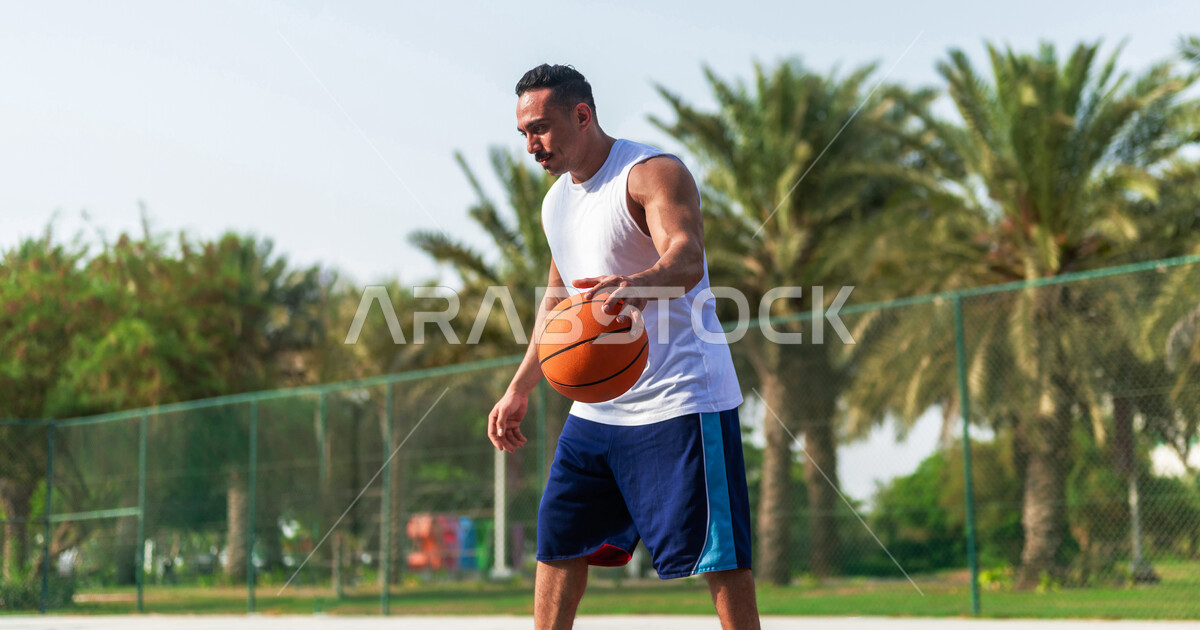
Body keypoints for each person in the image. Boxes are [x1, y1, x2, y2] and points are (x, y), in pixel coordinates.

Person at [487, 63, 760, 630]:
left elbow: (687, 257)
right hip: (598, 407)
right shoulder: (555, 203)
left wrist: (634, 288)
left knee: (720, 559)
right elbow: (557, 306)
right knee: (558, 541)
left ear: (581, 115)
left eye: (541, 127)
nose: (532, 145)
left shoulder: (650, 173)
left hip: (682, 399)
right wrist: (518, 388)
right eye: (523, 134)